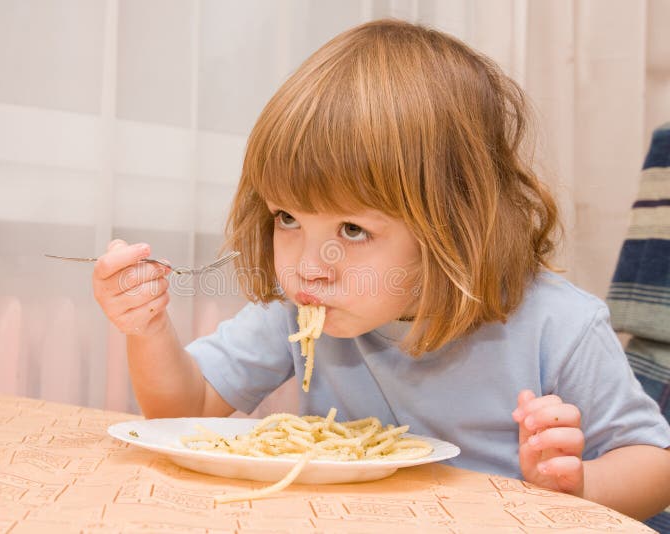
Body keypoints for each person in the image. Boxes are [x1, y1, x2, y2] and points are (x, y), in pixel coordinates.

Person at [92, 19, 670, 519]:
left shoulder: (558, 326)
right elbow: (184, 412)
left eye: (352, 231)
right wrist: (147, 330)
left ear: (454, 223)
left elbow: (655, 464)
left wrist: (577, 486)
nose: (308, 268)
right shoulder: (301, 311)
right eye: (287, 218)